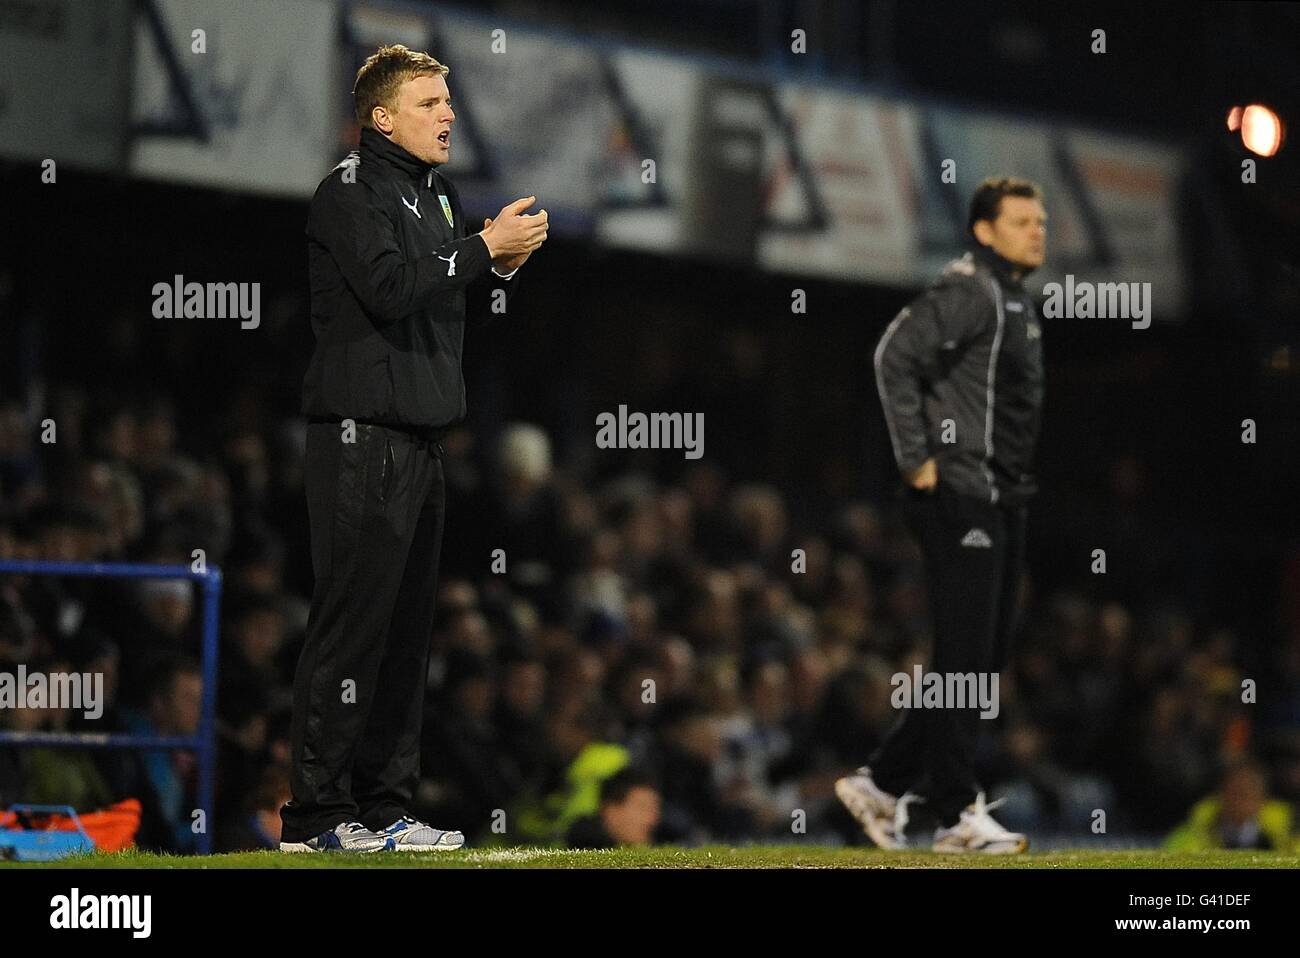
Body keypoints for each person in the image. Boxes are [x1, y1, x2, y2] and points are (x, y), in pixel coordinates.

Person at [279, 44, 548, 852]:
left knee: (404, 636)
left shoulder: (436, 194)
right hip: (363, 440)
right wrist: (479, 251)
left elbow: (430, 293)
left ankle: (384, 805)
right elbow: (391, 287)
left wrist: (493, 262)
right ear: (382, 117)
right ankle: (316, 817)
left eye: (448, 101)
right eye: (430, 102)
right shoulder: (350, 188)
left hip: (422, 442)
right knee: (352, 629)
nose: (449, 115)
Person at [837, 177, 1046, 854]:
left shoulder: (1012, 293)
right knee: (964, 659)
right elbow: (893, 355)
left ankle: (883, 783)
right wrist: (914, 457)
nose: (1036, 231)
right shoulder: (969, 288)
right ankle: (956, 812)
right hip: (960, 492)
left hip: (1000, 495)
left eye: (1040, 221)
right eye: (1020, 221)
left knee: (982, 660)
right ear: (984, 231)